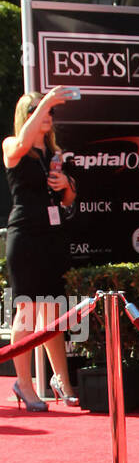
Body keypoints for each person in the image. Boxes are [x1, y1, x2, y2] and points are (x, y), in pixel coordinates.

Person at [3, 89, 81, 411]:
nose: (47, 115)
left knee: (52, 311)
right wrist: (47, 100)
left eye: (49, 110)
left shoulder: (54, 152)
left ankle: (60, 379)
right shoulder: (12, 145)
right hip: (25, 236)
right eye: (38, 109)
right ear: (28, 114)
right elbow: (21, 143)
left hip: (51, 236)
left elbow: (67, 200)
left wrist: (67, 186)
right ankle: (24, 383)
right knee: (27, 310)